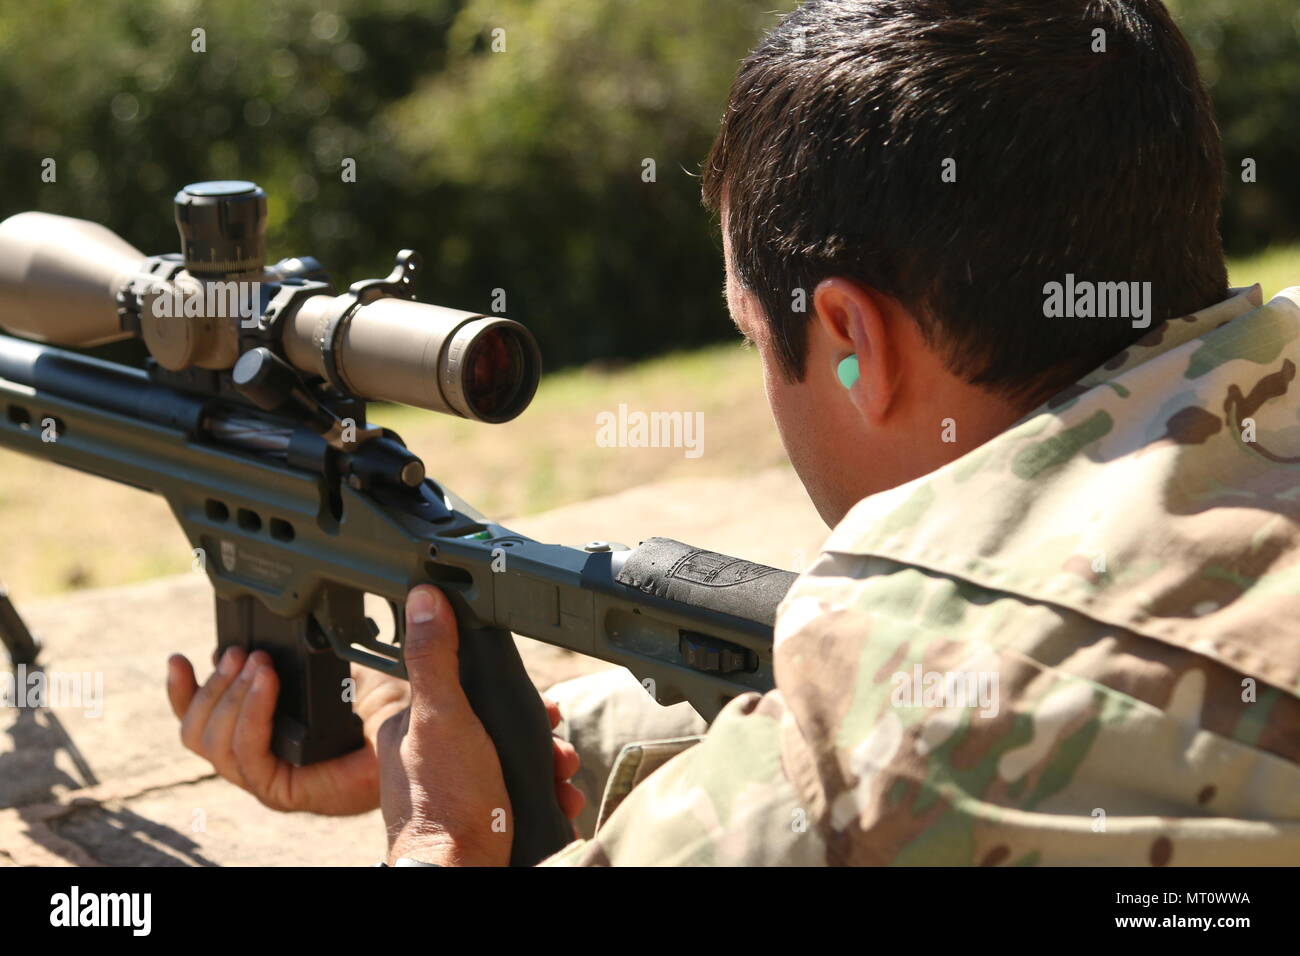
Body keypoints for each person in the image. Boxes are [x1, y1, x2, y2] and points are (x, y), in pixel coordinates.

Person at [167, 0, 1300, 865]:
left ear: (854, 341)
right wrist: (517, 723)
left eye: (754, 336)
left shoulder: (867, 759)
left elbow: (892, 701)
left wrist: (440, 839)